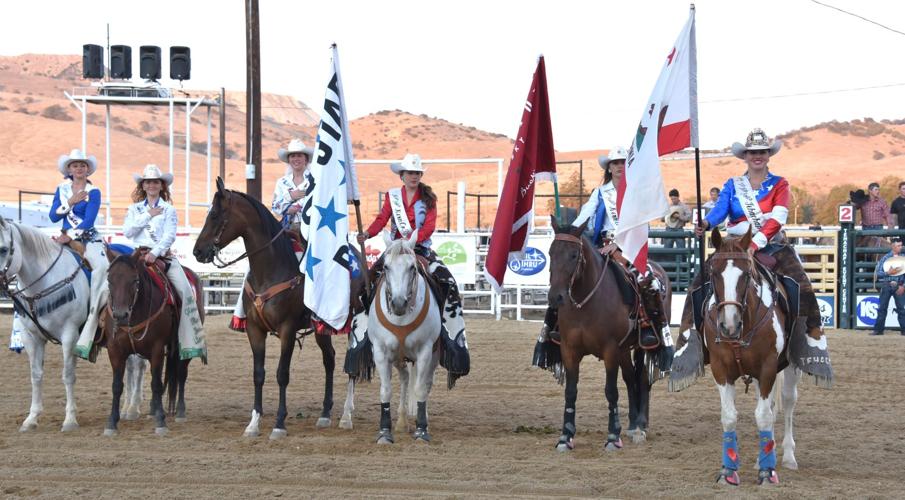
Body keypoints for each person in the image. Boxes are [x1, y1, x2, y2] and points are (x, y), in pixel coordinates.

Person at [692, 128, 832, 382]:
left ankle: (809, 340)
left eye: (762, 152)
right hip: (735, 245)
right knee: (699, 282)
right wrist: (707, 223)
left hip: (771, 244)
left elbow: (778, 218)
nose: (757, 156)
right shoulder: (733, 185)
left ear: (769, 155)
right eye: (753, 152)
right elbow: (721, 210)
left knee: (801, 285)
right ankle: (692, 343)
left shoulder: (780, 184)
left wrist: (755, 244)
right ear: (745, 156)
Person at [536, 146, 662, 350]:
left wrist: (618, 245)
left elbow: (641, 223)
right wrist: (571, 233)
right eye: (615, 163)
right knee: (568, 275)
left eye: (623, 162)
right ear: (609, 168)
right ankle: (556, 324)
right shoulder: (601, 193)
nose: (620, 166)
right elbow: (586, 213)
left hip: (629, 245)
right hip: (600, 246)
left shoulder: (635, 192)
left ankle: (646, 323)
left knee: (645, 278)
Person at [355, 153, 468, 373]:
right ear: (402, 175)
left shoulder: (428, 198)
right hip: (396, 250)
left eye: (417, 173)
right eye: (410, 173)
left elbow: (430, 226)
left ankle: (448, 334)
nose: (413, 176)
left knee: (447, 282)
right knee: (365, 283)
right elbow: (382, 218)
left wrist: (413, 240)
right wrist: (367, 233)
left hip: (420, 248)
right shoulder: (393, 196)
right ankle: (362, 337)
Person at [229, 139, 313, 332]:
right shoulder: (282, 183)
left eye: (299, 155)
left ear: (306, 159)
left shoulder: (315, 180)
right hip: (284, 229)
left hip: (309, 229)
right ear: (289, 160)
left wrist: (299, 205)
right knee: (258, 263)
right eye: (293, 156)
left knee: (308, 264)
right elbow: (275, 207)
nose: (296, 159)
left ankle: (311, 310)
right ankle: (243, 312)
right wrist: (290, 200)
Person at [124, 164, 206, 362]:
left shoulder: (169, 209)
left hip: (162, 256)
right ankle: (103, 332)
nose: (152, 185)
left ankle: (189, 340)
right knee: (112, 286)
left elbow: (169, 235)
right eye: (148, 182)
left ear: (161, 186)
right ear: (143, 186)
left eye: (155, 182)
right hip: (137, 255)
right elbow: (128, 232)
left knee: (185, 291)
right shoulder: (134, 209)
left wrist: (154, 253)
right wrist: (147, 216)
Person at [49, 149, 109, 361]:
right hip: (64, 236)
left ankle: (97, 313)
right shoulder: (62, 189)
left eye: (82, 165)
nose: (79, 168)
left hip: (88, 238)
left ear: (87, 169)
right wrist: (71, 202)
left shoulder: (94, 191)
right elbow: (52, 216)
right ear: (69, 169)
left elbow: (90, 220)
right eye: (75, 165)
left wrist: (71, 236)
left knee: (101, 267)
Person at [872, 237, 905, 336]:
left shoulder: (902, 258)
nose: (900, 247)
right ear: (893, 246)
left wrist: (903, 286)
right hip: (887, 284)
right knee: (882, 308)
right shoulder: (885, 258)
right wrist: (888, 272)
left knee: (901, 309)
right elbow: (878, 273)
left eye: (901, 245)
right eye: (898, 245)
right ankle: (878, 330)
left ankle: (904, 330)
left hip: (899, 285)